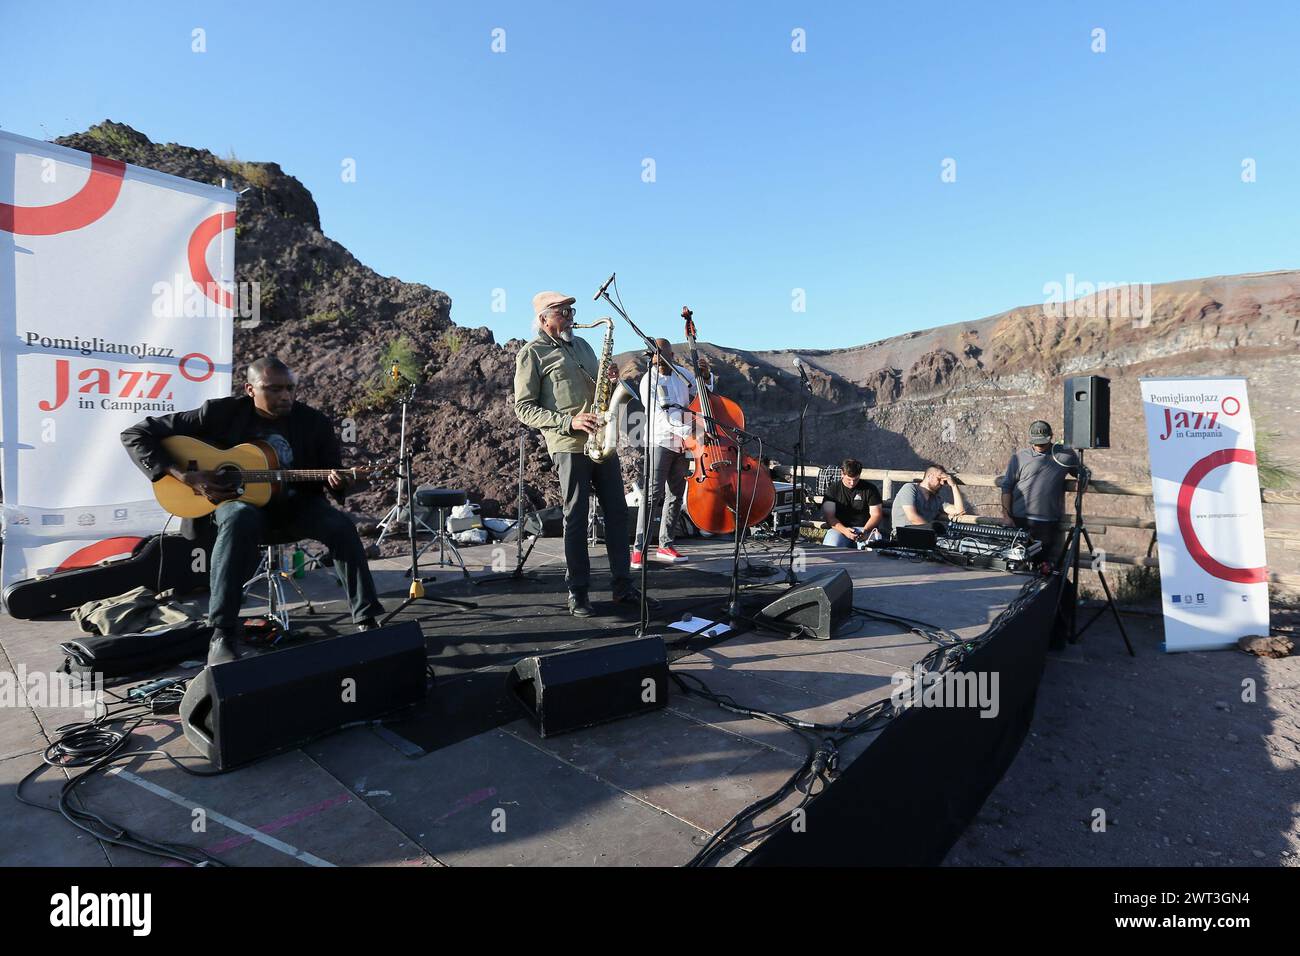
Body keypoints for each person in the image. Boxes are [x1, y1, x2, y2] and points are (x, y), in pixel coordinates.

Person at [120, 356, 385, 665]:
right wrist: (186, 476)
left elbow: (334, 478)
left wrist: (342, 480)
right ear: (250, 388)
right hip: (238, 505)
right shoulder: (219, 414)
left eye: (290, 388)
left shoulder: (314, 422)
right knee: (238, 516)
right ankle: (221, 633)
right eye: (273, 389)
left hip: (295, 507)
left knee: (340, 526)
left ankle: (368, 620)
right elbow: (135, 435)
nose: (285, 396)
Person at [513, 291, 637, 618]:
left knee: (618, 513)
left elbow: (598, 390)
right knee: (577, 518)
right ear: (544, 318)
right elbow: (523, 408)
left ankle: (623, 587)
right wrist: (569, 421)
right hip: (568, 444)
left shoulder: (582, 345)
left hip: (600, 437)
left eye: (571, 310)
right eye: (563, 311)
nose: (570, 315)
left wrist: (609, 382)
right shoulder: (532, 353)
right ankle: (578, 592)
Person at [632, 338, 712, 568]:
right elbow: (661, 417)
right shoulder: (649, 380)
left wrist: (705, 377)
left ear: (672, 355)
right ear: (651, 356)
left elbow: (704, 395)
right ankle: (639, 548)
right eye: (655, 355)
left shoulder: (682, 374)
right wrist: (692, 430)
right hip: (661, 441)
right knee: (652, 495)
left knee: (676, 494)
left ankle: (665, 544)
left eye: (663, 354)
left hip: (683, 444)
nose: (659, 359)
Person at [999, 419, 1080, 565]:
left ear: (1051, 436)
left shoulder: (1065, 454)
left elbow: (1081, 472)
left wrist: (1083, 479)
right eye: (1036, 442)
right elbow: (1007, 487)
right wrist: (1006, 516)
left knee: (1042, 564)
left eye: (1043, 442)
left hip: (1047, 522)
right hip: (1020, 519)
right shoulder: (1019, 458)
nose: (1039, 445)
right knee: (1017, 562)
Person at [821, 458, 883, 547]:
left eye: (856, 479)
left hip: (865, 528)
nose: (852, 483)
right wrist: (845, 531)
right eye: (849, 479)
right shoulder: (832, 489)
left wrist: (865, 530)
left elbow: (876, 514)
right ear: (842, 473)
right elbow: (829, 517)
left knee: (870, 548)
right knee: (831, 545)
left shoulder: (870, 489)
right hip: (839, 529)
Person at [891, 464, 967, 529]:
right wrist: (933, 531)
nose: (942, 483)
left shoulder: (936, 500)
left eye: (944, 481)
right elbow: (912, 517)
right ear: (930, 476)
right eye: (939, 479)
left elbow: (959, 511)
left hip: (925, 536)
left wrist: (953, 486)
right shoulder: (909, 488)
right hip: (903, 533)